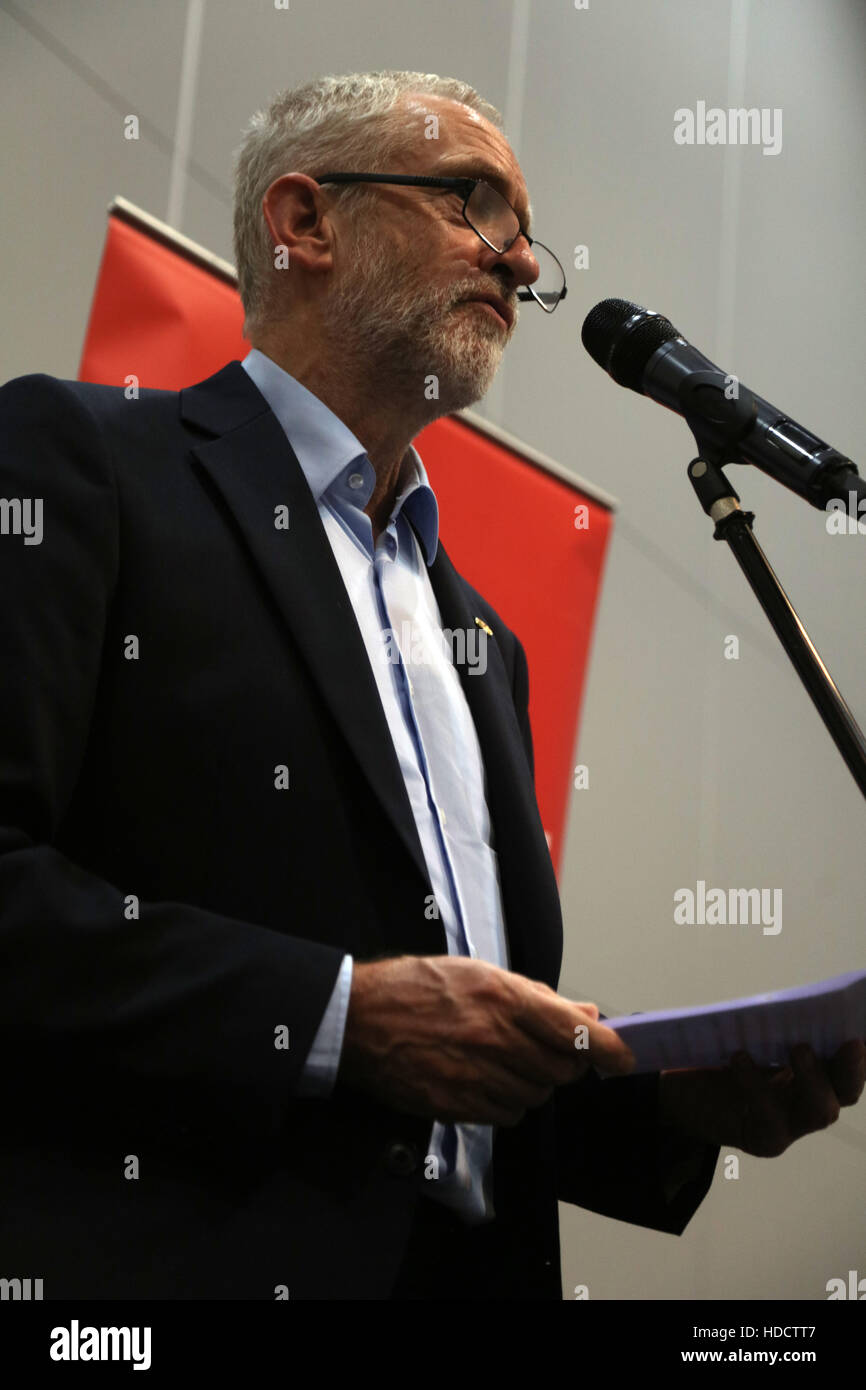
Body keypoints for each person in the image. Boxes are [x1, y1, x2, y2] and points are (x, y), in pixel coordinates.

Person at [0, 70, 862, 1302]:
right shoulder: (85, 466)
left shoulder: (482, 643)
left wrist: (670, 1105)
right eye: (475, 205)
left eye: (525, 237)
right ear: (307, 223)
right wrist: (336, 1014)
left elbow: (458, 1084)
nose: (521, 268)